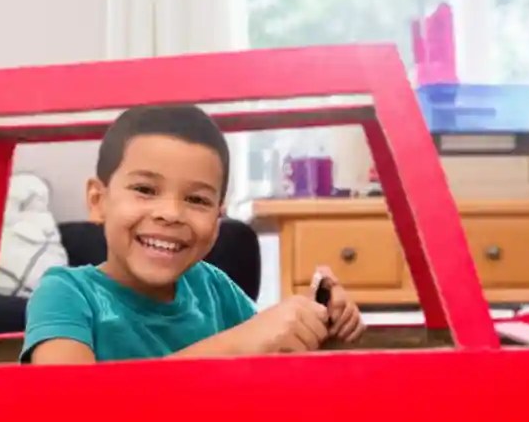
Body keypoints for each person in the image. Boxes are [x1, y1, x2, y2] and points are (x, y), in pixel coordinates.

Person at [21, 103, 364, 364]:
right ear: (98, 201)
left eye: (197, 199)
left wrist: (318, 324)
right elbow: (67, 409)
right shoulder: (65, 293)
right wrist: (236, 344)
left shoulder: (215, 289)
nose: (170, 214)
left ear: (217, 221)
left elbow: (267, 356)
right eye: (145, 189)